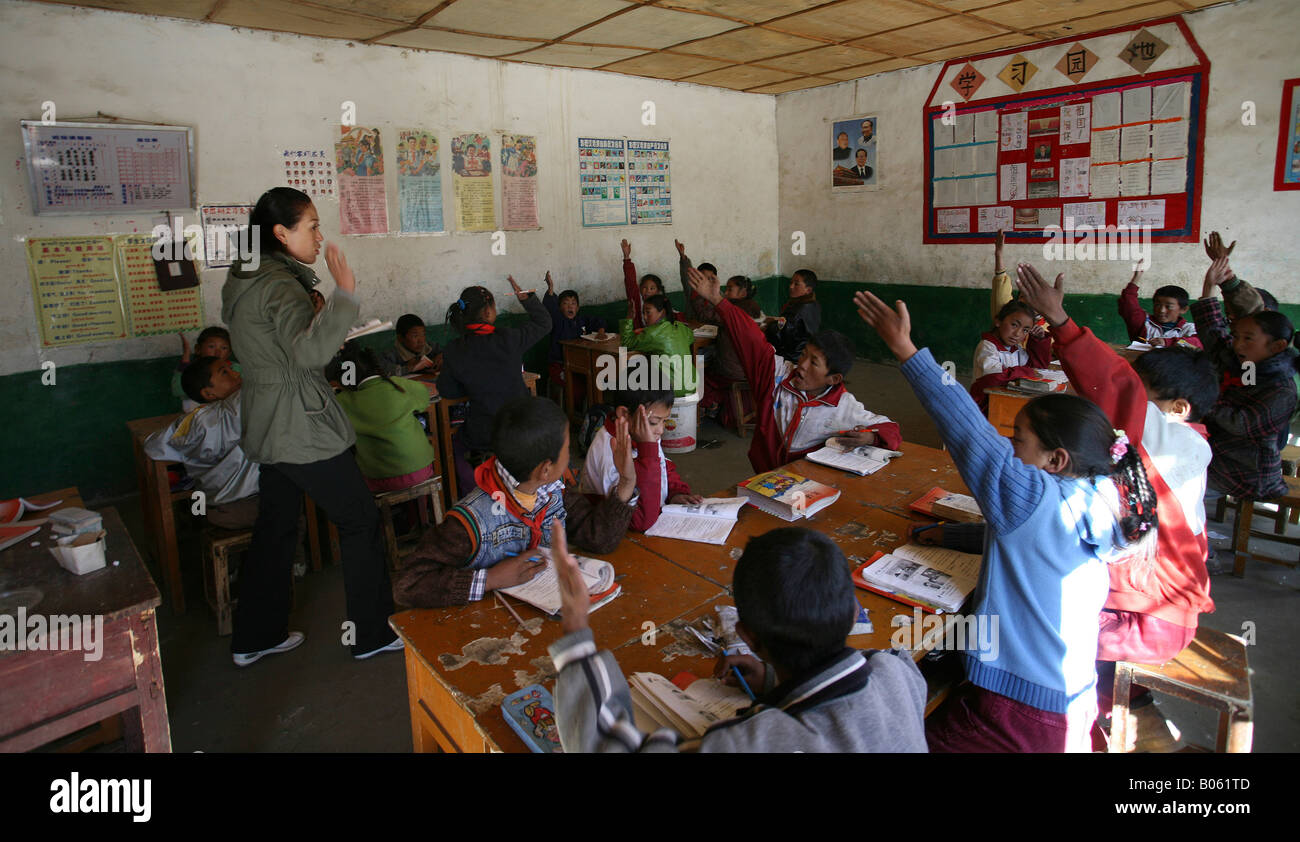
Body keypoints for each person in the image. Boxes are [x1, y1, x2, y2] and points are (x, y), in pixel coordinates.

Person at [854, 287, 1159, 753]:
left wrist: (906, 351)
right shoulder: (1104, 496)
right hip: (1071, 701)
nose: (1010, 449)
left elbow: (969, 432)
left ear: (1056, 459)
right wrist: (948, 534)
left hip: (1015, 707)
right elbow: (1032, 547)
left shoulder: (1037, 498)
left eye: (1019, 441)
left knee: (884, 737)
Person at [1016, 263, 1218, 749]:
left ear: (1177, 409)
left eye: (1147, 401)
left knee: (1020, 627)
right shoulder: (1172, 451)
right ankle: (1125, 708)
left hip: (1147, 620)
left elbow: (1115, 388)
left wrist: (1062, 323)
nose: (1127, 414)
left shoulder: (1176, 449)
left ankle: (1083, 726)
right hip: (1152, 608)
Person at [548, 523, 929, 752]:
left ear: (746, 637)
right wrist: (775, 681)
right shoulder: (900, 673)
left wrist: (577, 625)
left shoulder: (748, 743)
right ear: (851, 613)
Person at [221, 186, 399, 665]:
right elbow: (308, 354)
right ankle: (373, 633)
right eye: (312, 226)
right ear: (281, 233)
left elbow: (282, 343)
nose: (320, 237)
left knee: (275, 525)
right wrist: (344, 295)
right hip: (299, 421)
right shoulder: (279, 284)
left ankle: (255, 637)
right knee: (359, 519)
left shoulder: (246, 275)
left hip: (265, 415)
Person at [394, 396, 637, 607]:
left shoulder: (552, 493)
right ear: (546, 469)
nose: (570, 457)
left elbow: (601, 538)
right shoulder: (469, 524)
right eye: (567, 448)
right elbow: (407, 585)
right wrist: (491, 579)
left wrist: (626, 480)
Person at [688, 267, 898, 473]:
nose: (802, 365)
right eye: (803, 354)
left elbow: (890, 429)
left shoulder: (843, 406)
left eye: (813, 362)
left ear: (834, 379)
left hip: (808, 482)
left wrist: (871, 437)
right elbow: (751, 338)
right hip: (767, 475)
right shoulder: (777, 376)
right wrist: (718, 301)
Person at [1192, 253, 1299, 502]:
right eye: (1236, 334)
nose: (1236, 343)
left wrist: (1200, 396)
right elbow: (1214, 333)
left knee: (1168, 484)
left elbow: (1240, 423)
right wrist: (1209, 286)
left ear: (1277, 346)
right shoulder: (1252, 366)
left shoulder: (1281, 389)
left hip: (1247, 473)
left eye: (1247, 338)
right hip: (1220, 455)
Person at [437, 276, 552, 493]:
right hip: (520, 431)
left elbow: (447, 390)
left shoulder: (454, 349)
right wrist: (527, 299)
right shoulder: (508, 338)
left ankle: (471, 493)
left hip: (485, 436)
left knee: (459, 441)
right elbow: (544, 323)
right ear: (489, 312)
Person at [146, 356, 260, 531]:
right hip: (243, 504)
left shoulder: (194, 420)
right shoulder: (234, 409)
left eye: (231, 369)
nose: (236, 373)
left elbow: (153, 445)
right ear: (208, 393)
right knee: (290, 512)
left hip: (214, 503)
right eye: (225, 373)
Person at [580, 387, 700, 531]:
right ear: (624, 414)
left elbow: (661, 464)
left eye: (664, 421)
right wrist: (647, 450)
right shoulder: (610, 450)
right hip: (620, 536)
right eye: (654, 422)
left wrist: (675, 492)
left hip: (654, 517)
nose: (661, 430)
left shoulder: (641, 432)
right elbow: (638, 521)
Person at [332, 341, 436, 493]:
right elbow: (425, 397)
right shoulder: (398, 385)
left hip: (378, 479)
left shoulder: (344, 400)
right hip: (420, 469)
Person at [676, 240, 761, 419]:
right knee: (697, 363)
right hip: (707, 344)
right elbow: (686, 276)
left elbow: (717, 317)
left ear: (715, 281)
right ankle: (708, 405)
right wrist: (683, 258)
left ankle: (706, 405)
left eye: (708, 279)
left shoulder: (723, 301)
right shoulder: (694, 294)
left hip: (720, 354)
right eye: (700, 278)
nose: (703, 282)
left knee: (700, 369)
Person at [969, 299, 1052, 412]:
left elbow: (1037, 367)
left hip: (1006, 400)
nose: (1017, 334)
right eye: (1014, 325)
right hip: (985, 404)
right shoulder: (987, 346)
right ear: (998, 321)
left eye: (1025, 330)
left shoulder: (1016, 349)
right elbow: (995, 377)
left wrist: (1038, 340)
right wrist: (1026, 372)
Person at [619, 293, 697, 398]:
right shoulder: (682, 327)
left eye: (648, 312)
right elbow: (690, 337)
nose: (645, 317)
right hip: (691, 385)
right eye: (643, 313)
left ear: (662, 312)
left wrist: (629, 318)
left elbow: (627, 343)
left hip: (671, 389)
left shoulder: (652, 333)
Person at [542, 271, 607, 387]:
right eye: (566, 303)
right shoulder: (557, 320)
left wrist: (601, 331)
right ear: (560, 307)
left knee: (594, 378)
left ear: (577, 307)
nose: (570, 306)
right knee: (575, 386)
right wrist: (550, 288)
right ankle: (573, 405)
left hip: (578, 363)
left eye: (573, 303)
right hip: (559, 365)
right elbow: (550, 307)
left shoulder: (581, 320)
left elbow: (598, 321)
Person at [1117, 266, 1200, 348]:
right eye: (1157, 305)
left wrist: (1167, 342)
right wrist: (1136, 279)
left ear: (1183, 309)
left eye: (1169, 306)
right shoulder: (1144, 322)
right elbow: (1128, 306)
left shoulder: (1188, 329)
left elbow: (1197, 342)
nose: (1162, 310)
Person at [173, 326, 239, 413]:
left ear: (230, 352)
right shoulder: (193, 370)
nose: (218, 353)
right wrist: (186, 358)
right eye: (211, 346)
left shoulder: (236, 368)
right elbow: (178, 390)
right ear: (198, 349)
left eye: (224, 348)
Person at [620, 239, 681, 330]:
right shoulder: (636, 302)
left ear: (658, 291)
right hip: (639, 338)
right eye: (644, 287)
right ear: (640, 289)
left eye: (652, 288)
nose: (648, 291)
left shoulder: (663, 305)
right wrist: (626, 257)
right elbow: (630, 282)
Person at [765, 269, 821, 363]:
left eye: (796, 284)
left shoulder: (794, 311)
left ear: (808, 290)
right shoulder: (814, 304)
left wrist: (768, 326)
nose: (791, 287)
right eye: (791, 282)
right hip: (805, 353)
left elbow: (779, 335)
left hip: (790, 358)